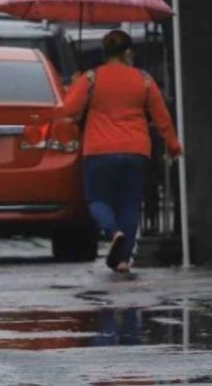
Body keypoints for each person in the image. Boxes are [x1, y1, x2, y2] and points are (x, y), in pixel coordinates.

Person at [63, 29, 182, 274]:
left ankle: (112, 231)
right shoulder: (144, 79)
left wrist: (74, 85)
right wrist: (173, 145)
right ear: (127, 52)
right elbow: (162, 118)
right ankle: (123, 260)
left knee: (97, 199)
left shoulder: (91, 78)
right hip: (136, 151)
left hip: (99, 151)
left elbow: (69, 111)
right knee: (130, 204)